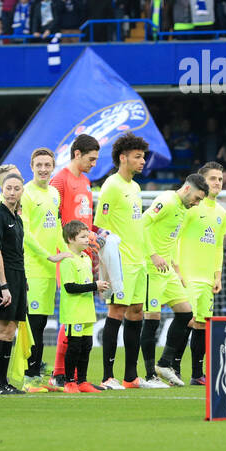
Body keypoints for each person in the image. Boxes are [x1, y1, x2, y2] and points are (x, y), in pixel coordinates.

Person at [94, 132, 153, 387]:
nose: (142, 161)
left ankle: (131, 376)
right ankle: (108, 376)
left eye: (143, 157)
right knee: (116, 311)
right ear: (123, 158)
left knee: (137, 312)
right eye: (138, 157)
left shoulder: (135, 187)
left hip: (138, 261)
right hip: (121, 261)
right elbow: (100, 227)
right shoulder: (112, 185)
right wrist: (104, 266)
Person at [145, 173, 210, 387]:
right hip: (150, 266)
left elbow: (169, 238)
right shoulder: (167, 201)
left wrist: (174, 265)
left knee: (186, 313)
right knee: (152, 317)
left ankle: (164, 363)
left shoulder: (183, 208)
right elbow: (142, 224)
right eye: (197, 198)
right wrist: (153, 254)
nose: (197, 203)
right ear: (187, 189)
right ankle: (148, 374)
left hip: (167, 270)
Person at [48, 134, 99, 390]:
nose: (94, 164)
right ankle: (59, 373)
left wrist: (93, 238)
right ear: (77, 154)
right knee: (72, 314)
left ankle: (78, 377)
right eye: (91, 159)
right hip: (67, 254)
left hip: (84, 254)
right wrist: (63, 249)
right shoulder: (60, 179)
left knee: (82, 314)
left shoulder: (86, 182)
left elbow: (84, 220)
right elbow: (53, 215)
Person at [171, 161, 226, 385]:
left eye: (220, 179)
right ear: (203, 181)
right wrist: (176, 268)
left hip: (207, 277)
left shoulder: (222, 213)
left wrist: (217, 274)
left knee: (203, 324)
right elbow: (175, 237)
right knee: (189, 320)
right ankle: (173, 368)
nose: (217, 183)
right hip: (189, 275)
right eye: (213, 179)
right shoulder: (192, 207)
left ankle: (196, 374)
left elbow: (218, 246)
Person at [20, 148, 70, 388]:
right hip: (33, 269)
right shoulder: (25, 194)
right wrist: (47, 255)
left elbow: (57, 228)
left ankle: (37, 374)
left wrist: (67, 252)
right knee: (34, 324)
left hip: (51, 270)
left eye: (47, 165)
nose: (43, 169)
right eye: (38, 164)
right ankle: (30, 377)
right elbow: (25, 233)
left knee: (40, 324)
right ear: (31, 166)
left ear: (53, 167)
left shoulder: (53, 194)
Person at [0, 170, 32, 394]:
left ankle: (2, 382)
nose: (12, 192)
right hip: (3, 277)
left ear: (22, 192)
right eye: (8, 188)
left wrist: (23, 282)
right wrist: (4, 286)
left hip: (18, 275)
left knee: (11, 329)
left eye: (16, 188)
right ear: (2, 190)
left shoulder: (17, 218)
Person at [59, 221, 109, 393]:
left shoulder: (86, 258)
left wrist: (97, 288)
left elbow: (86, 284)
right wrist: (95, 286)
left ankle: (82, 381)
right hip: (74, 312)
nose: (88, 240)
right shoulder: (67, 261)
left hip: (87, 311)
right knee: (74, 347)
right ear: (71, 239)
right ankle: (69, 382)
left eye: (88, 236)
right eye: (83, 237)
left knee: (86, 346)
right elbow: (69, 287)